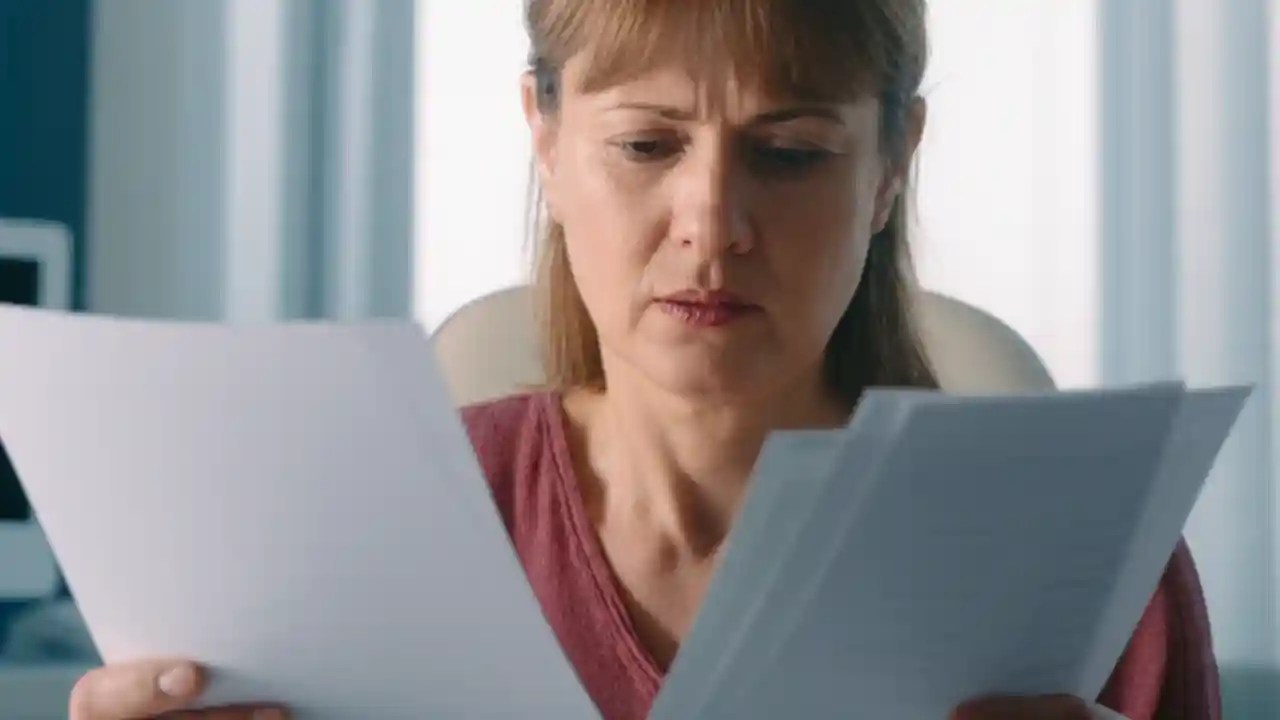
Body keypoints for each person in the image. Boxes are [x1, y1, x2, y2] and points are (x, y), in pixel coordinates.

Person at [67, 1, 1220, 718]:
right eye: (644, 144)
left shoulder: (1090, 559)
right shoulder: (346, 534)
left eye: (789, 152)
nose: (710, 225)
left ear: (889, 166)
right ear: (544, 136)